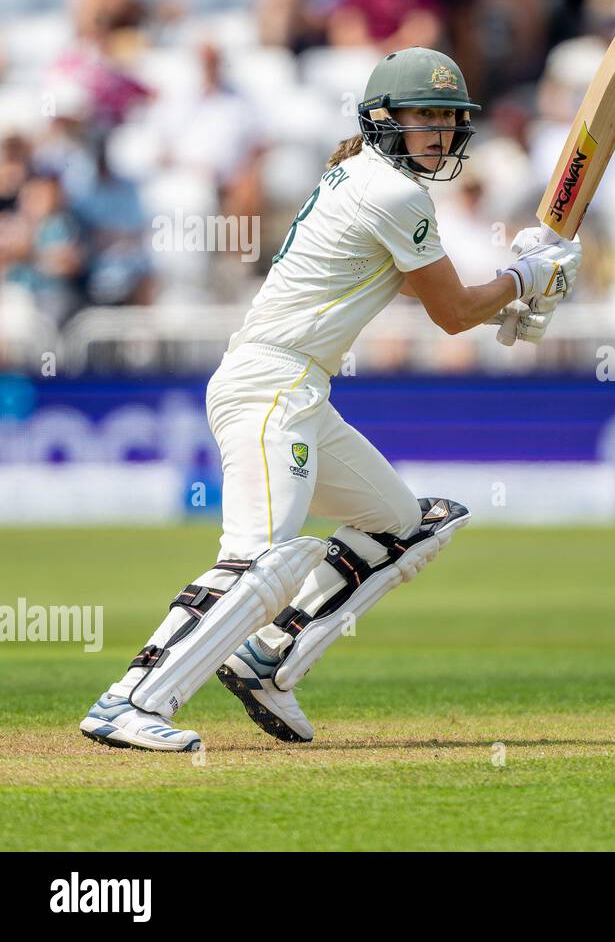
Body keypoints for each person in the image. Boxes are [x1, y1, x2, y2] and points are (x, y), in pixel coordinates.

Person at [78, 48, 583, 752]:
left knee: (403, 524)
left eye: (447, 117)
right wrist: (525, 278)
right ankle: (130, 699)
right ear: (384, 121)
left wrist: (516, 288)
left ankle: (269, 657)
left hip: (299, 388)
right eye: (423, 116)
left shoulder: (370, 179)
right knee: (261, 558)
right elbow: (452, 314)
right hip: (270, 383)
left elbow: (429, 291)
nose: (437, 132)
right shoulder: (395, 193)